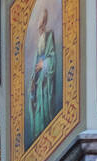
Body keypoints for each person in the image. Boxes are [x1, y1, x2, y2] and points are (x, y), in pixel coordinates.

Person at [27, 9, 58, 145]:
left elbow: (52, 57)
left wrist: (43, 64)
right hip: (38, 79)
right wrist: (33, 81)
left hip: (45, 81)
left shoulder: (49, 36)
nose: (39, 22)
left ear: (44, 21)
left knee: (45, 104)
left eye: (41, 19)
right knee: (36, 104)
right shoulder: (39, 40)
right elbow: (35, 65)